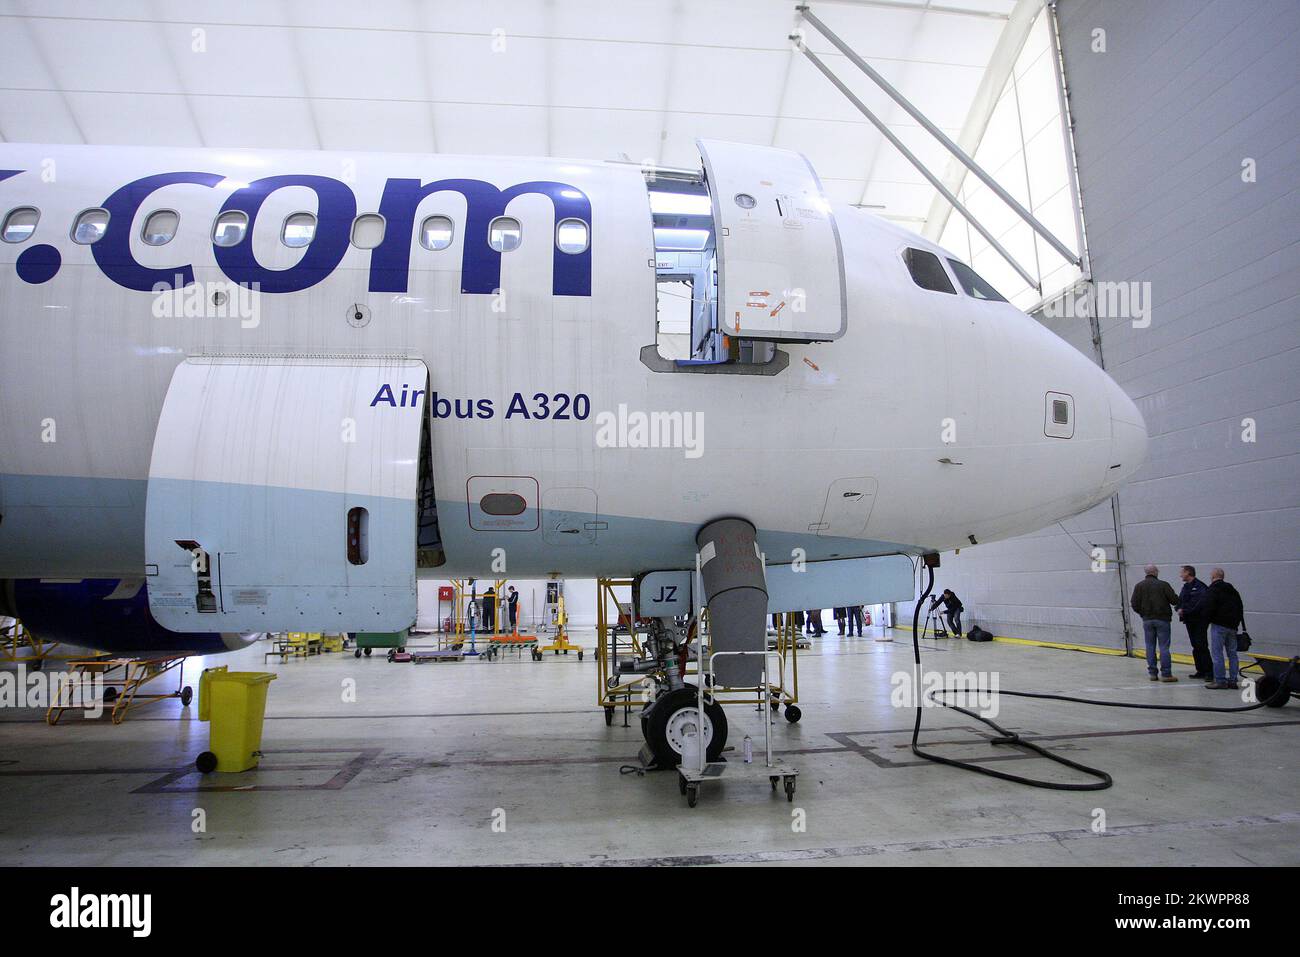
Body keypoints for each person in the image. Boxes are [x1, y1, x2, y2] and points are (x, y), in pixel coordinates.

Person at [1130, 564, 1179, 682]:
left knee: (1150, 646)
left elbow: (1134, 603)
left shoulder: (1139, 586)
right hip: (1163, 619)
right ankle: (1166, 674)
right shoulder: (1163, 585)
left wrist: (1142, 613)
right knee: (1164, 647)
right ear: (1156, 572)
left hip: (1147, 620)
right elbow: (1174, 600)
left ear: (1146, 573)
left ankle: (1152, 673)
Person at [1201, 568, 1245, 690]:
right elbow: (1240, 607)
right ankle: (1233, 680)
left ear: (1213, 577)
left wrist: (1205, 621)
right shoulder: (1232, 590)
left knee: (1217, 653)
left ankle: (1220, 680)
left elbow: (1208, 606)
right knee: (1233, 654)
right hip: (1232, 626)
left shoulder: (1213, 589)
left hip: (1219, 625)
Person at [1176, 565, 1211, 679]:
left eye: (1182, 572)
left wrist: (1184, 610)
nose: (1181, 575)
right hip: (1189, 620)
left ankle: (1209, 671)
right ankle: (1200, 670)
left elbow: (1198, 604)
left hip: (1199, 620)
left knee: (1202, 645)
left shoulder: (1200, 587)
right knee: (1195, 645)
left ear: (1188, 573)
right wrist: (1178, 608)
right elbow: (1180, 600)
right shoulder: (1186, 587)